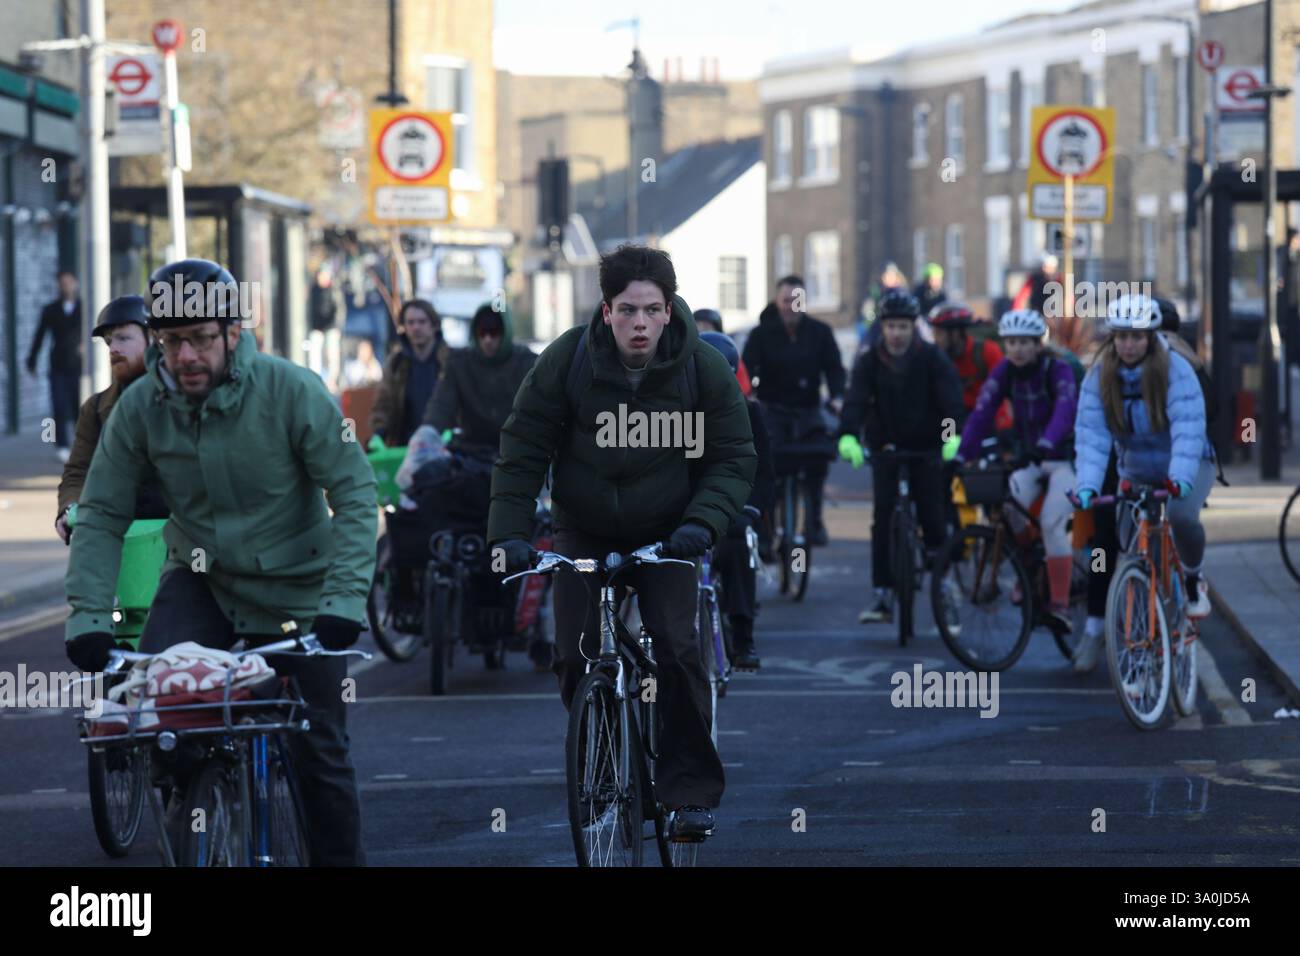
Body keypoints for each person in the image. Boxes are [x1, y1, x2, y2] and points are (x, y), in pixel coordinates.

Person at [63, 258, 377, 866]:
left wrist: (343, 603)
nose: (185, 356)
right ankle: (201, 816)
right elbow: (99, 513)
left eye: (201, 337)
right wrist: (88, 618)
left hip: (301, 590)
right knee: (160, 720)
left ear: (233, 333)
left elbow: (357, 494)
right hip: (202, 580)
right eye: (171, 340)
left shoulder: (291, 390)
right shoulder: (139, 408)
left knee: (321, 757)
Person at [487, 244, 756, 841]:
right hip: (583, 525)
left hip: (671, 530)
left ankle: (687, 795)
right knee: (573, 653)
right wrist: (507, 534)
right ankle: (603, 764)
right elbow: (523, 446)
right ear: (606, 311)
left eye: (652, 310)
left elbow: (733, 457)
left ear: (669, 310)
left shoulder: (700, 368)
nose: (640, 323)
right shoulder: (568, 360)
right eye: (628, 309)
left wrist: (702, 524)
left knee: (677, 647)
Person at [1072, 293, 1214, 671]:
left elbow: (1188, 428)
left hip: (1188, 464)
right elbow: (1092, 435)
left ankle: (1193, 579)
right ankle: (1136, 624)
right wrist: (1086, 484)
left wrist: (1181, 478)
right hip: (1134, 470)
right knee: (1117, 547)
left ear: (1151, 337)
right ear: (1112, 339)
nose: (1129, 344)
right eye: (1121, 336)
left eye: (1137, 336)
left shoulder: (1175, 369)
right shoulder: (1099, 375)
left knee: (1182, 518)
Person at [837, 290, 964, 624]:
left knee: (933, 518)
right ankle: (882, 593)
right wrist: (849, 434)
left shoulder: (933, 359)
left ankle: (944, 588)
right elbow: (855, 401)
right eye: (891, 326)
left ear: (913, 328)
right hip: (886, 449)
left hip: (927, 447)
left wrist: (952, 436)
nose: (896, 333)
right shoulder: (868, 360)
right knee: (882, 519)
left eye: (903, 326)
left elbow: (951, 403)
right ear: (883, 328)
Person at [955, 308, 1080, 635]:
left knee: (1052, 522)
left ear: (1039, 345)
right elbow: (982, 413)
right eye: (1011, 343)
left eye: (1025, 343)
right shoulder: (1004, 371)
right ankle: (1030, 569)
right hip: (1030, 459)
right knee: (1006, 507)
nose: (1018, 350)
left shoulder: (1059, 369)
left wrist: (1046, 442)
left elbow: (1065, 412)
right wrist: (960, 455)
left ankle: (1061, 604)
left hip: (1065, 458)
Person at [742, 274, 845, 546]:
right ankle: (764, 531)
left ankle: (815, 520)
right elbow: (746, 369)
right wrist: (747, 394)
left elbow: (834, 369)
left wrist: (837, 397)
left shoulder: (820, 332)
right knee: (765, 467)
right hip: (772, 410)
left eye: (796, 300)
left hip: (808, 409)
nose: (791, 306)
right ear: (777, 302)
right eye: (786, 300)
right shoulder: (761, 334)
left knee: (818, 459)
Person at [55, 296, 168, 543]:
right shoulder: (95, 409)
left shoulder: (184, 397)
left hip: (181, 542)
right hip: (118, 542)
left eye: (123, 338)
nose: (113, 348)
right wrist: (69, 509)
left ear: (154, 339)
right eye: (109, 342)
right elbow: (78, 471)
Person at [700, 330, 774, 671]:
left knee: (738, 547)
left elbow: (763, 473)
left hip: (732, 507)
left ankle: (743, 634)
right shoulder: (674, 413)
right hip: (684, 509)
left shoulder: (750, 413)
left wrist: (750, 510)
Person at [424, 301, 537, 461]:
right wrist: (427, 433)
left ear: (505, 332)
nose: (487, 340)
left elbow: (541, 411)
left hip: (518, 454)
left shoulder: (527, 363)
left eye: (494, 332)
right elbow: (441, 405)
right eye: (481, 333)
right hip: (471, 452)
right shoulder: (459, 363)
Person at [369, 298, 448, 449]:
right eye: (410, 322)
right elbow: (384, 402)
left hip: (443, 446)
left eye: (422, 321)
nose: (416, 327)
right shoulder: (396, 363)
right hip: (404, 446)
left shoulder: (449, 361)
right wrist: (378, 433)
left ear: (434, 325)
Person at [26, 269, 83, 462]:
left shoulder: (86, 307)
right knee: (59, 406)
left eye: (69, 282)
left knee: (79, 407)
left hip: (79, 367)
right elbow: (39, 336)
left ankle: (81, 444)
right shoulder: (50, 310)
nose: (66, 286)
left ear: (75, 283)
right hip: (58, 366)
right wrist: (31, 361)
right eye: (62, 282)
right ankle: (62, 445)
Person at [928, 302, 1006, 427]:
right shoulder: (934, 357)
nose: (935, 339)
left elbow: (1001, 394)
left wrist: (1002, 431)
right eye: (934, 333)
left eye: (939, 333)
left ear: (955, 333)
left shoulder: (987, 351)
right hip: (950, 422)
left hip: (984, 420)